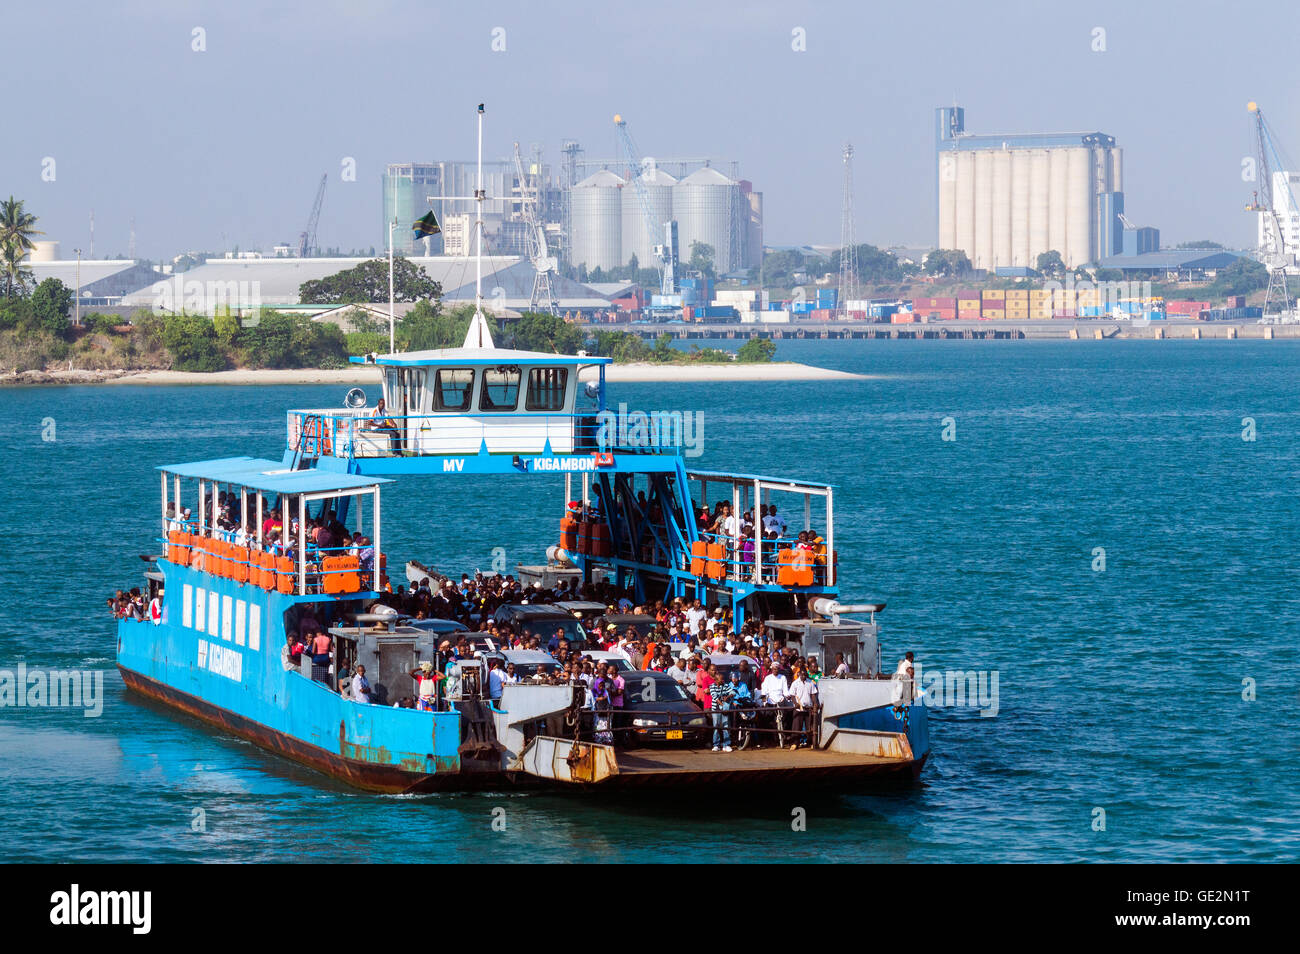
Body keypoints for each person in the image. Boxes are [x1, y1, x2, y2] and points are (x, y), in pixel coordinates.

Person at [760, 665, 791, 748]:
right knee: (769, 719)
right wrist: (764, 696)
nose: (775, 670)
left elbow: (785, 690)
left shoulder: (783, 677)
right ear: (771, 669)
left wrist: (787, 695)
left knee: (785, 717)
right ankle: (772, 740)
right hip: (770, 699)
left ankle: (784, 737)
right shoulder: (768, 678)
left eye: (776, 669)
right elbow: (764, 689)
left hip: (780, 699)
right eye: (773, 669)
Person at [787, 664, 818, 749]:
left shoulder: (810, 683)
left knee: (809, 726)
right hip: (798, 708)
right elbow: (792, 695)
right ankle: (795, 743)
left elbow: (813, 695)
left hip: (808, 707)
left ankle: (810, 742)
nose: (803, 676)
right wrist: (795, 703)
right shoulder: (795, 683)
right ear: (799, 674)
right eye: (802, 674)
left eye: (805, 675)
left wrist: (815, 703)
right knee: (797, 727)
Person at [708, 664, 735, 752]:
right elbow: (715, 697)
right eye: (721, 679)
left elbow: (732, 692)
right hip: (716, 709)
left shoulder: (726, 685)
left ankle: (726, 744)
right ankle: (716, 744)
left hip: (724, 709)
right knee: (716, 726)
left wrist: (727, 697)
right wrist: (722, 705)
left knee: (725, 726)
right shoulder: (712, 686)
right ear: (716, 680)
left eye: (723, 679)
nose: (723, 680)